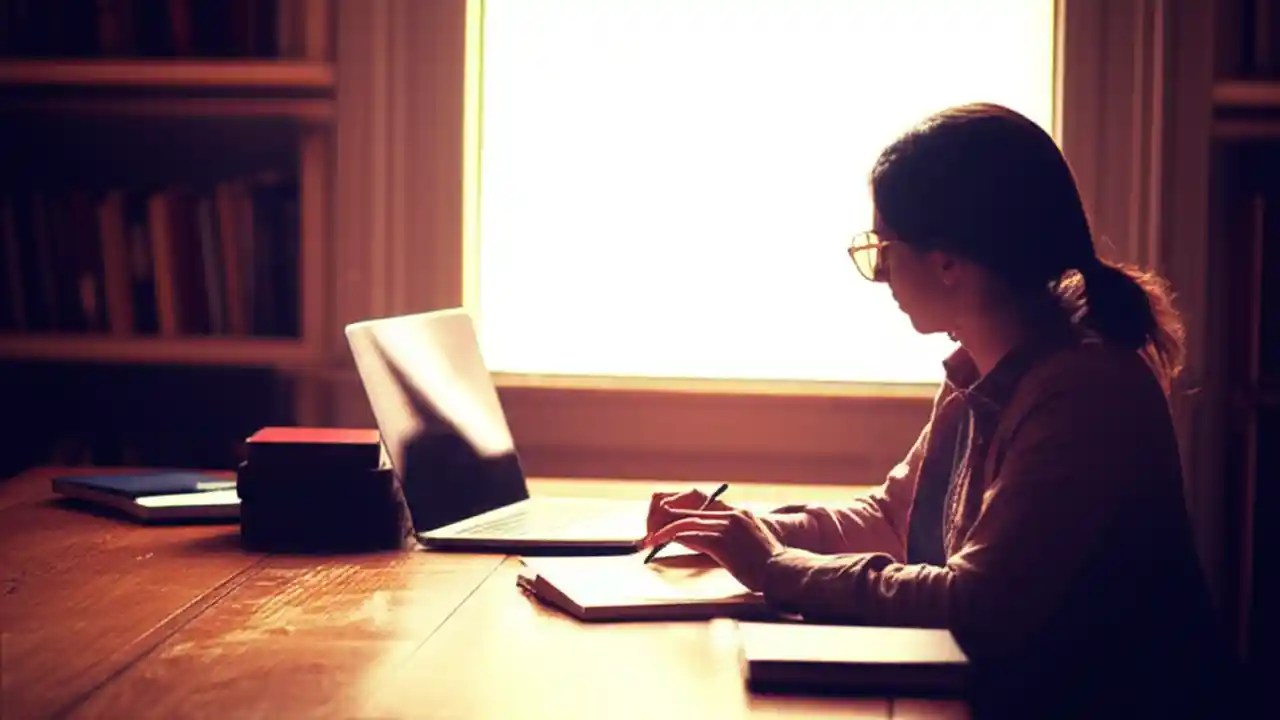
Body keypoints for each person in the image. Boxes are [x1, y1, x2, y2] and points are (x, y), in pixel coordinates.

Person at [643, 103, 1234, 717]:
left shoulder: (1085, 392)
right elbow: (896, 519)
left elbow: (978, 606)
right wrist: (740, 531)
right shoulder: (982, 365)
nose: (881, 276)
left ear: (948, 262)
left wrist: (775, 567)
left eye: (884, 249)